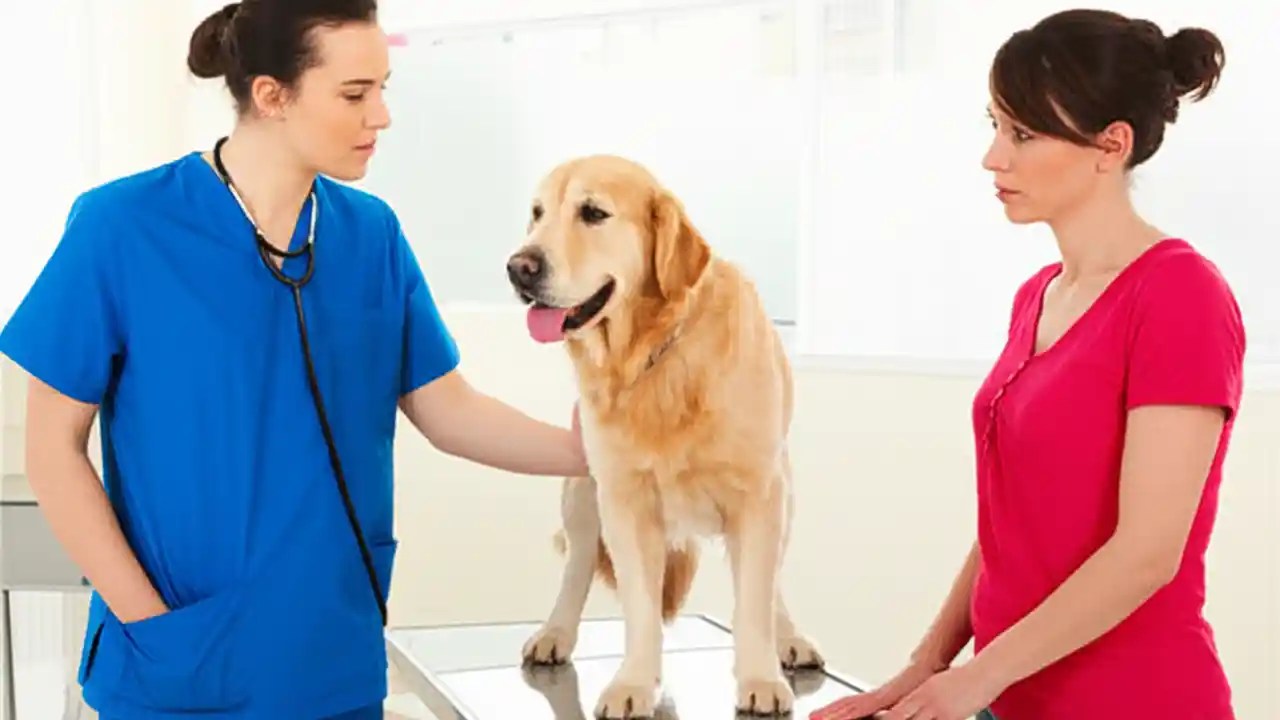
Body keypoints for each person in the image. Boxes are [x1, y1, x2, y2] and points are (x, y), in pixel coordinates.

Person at [0, 2, 589, 718]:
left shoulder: (371, 236)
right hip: (177, 663)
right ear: (271, 96)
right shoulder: (123, 227)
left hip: (331, 660)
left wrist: (588, 451)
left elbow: (449, 410)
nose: (382, 116)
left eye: (383, 87)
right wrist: (149, 622)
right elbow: (52, 449)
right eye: (354, 93)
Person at [812, 9, 1243, 720]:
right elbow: (1013, 529)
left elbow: (1146, 553)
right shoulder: (1037, 297)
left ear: (1111, 146)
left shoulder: (1179, 295)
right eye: (995, 126)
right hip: (1011, 699)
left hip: (1136, 702)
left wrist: (975, 680)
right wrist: (925, 669)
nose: (993, 158)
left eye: (1022, 133)